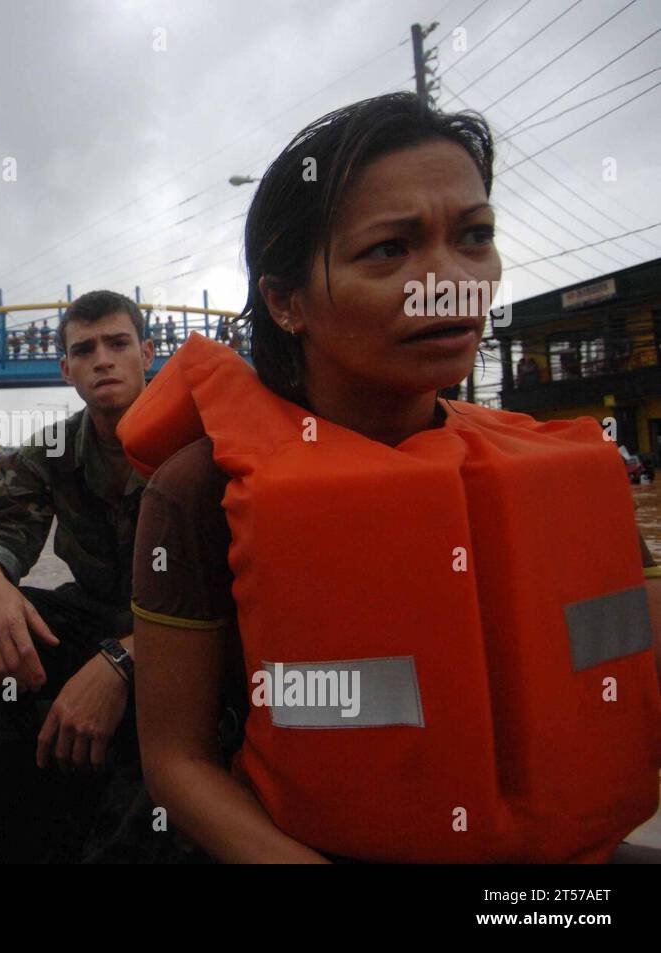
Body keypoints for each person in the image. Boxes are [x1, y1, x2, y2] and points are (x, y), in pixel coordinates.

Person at [119, 93, 661, 864]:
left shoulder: (563, 470)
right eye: (389, 250)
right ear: (285, 301)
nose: (450, 282)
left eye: (475, 237)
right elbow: (176, 762)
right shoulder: (197, 489)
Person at [0, 290, 155, 863]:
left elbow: (237, 595)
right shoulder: (55, 447)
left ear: (149, 352)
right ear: (66, 370)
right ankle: (23, 833)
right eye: (84, 350)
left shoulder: (201, 439)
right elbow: (0, 531)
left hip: (190, 645)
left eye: (118, 343)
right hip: (97, 621)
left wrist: (124, 660)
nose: (103, 360)